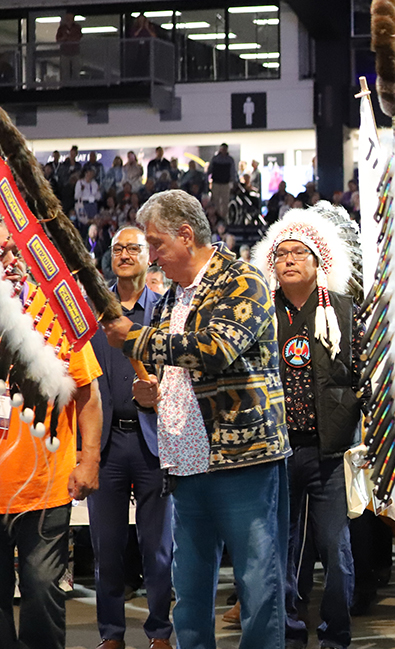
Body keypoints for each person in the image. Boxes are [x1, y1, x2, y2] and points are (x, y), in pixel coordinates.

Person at [101, 189, 291, 649]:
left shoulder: (241, 281)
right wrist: (151, 396)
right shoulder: (172, 298)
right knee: (188, 588)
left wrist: (135, 340)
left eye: (156, 243)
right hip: (185, 460)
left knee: (256, 581)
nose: (152, 255)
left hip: (240, 457)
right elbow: (175, 373)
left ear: (186, 235)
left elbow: (216, 348)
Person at [252, 206, 364, 649]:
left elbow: (363, 374)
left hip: (329, 453)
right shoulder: (261, 312)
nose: (290, 260)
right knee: (283, 553)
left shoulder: (345, 311)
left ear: (319, 263)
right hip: (278, 452)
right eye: (282, 254)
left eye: (300, 253)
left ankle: (337, 637)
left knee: (336, 553)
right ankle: (290, 635)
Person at [0, 220, 103, 649]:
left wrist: (90, 460)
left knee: (43, 592)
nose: (8, 261)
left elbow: (88, 395)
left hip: (44, 488)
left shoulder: (54, 313)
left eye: (13, 251)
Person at [88, 227, 174, 649]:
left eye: (133, 248)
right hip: (105, 444)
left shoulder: (166, 310)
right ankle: (111, 635)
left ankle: (160, 631)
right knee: (107, 549)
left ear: (149, 257)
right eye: (118, 248)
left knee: (158, 547)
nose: (124, 255)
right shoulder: (91, 311)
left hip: (154, 442)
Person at [208, 144, 237, 220]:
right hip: (216, 183)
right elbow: (210, 170)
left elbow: (232, 172)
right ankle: (217, 218)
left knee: (225, 202)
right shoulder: (215, 159)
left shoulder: (229, 160)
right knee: (215, 201)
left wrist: (234, 182)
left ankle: (224, 219)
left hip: (225, 183)